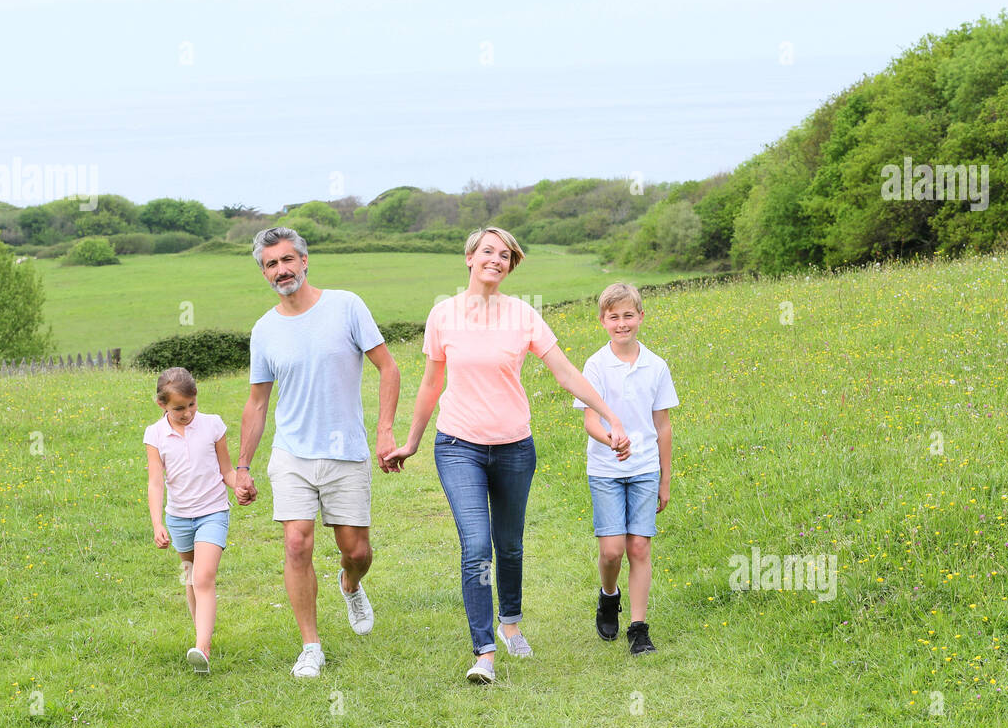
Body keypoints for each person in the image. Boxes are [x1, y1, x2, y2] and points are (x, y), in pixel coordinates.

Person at [384, 227, 631, 684]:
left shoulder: (523, 315)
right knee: (476, 546)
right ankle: (485, 652)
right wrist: (412, 440)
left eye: (505, 256)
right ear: (470, 257)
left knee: (510, 543)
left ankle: (511, 622)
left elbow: (564, 372)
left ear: (510, 266)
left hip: (515, 447)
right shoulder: (443, 315)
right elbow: (430, 384)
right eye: (488, 252)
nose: (496, 260)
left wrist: (609, 416)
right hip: (458, 446)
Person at [235, 226, 400, 679]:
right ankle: (311, 646)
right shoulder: (265, 330)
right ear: (264, 273)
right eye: (271, 264)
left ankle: (350, 584)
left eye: (288, 260)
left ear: (304, 262)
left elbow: (388, 367)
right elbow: (257, 401)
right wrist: (242, 466)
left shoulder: (346, 306)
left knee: (357, 549)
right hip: (292, 454)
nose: (281, 270)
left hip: (346, 450)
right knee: (296, 542)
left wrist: (385, 432)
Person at [574, 283, 678, 655]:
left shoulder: (656, 366)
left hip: (646, 468)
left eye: (628, 316)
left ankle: (638, 628)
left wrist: (665, 479)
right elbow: (589, 421)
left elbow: (662, 426)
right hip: (605, 469)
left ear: (641, 317)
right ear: (603, 321)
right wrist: (611, 440)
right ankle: (608, 595)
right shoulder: (595, 365)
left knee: (638, 546)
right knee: (613, 550)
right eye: (614, 317)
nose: (622, 323)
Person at [144, 366, 240, 674]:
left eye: (191, 405)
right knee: (190, 576)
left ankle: (202, 649)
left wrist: (239, 484)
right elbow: (156, 482)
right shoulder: (155, 435)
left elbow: (226, 470)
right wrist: (158, 523)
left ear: (196, 397)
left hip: (212, 511)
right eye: (178, 408)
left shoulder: (213, 426)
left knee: (203, 577)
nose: (187, 413)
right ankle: (202, 635)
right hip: (179, 519)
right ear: (162, 405)